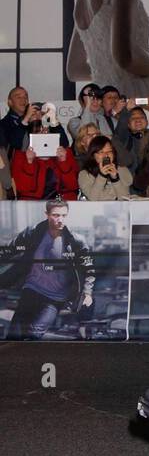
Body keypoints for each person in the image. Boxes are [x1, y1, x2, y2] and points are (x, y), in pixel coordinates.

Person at [0, 200, 95, 340]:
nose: (60, 219)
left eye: (64, 215)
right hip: (31, 290)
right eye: (56, 215)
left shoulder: (75, 241)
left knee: (34, 335)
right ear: (47, 214)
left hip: (55, 298)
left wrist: (87, 292)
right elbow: (8, 250)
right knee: (14, 336)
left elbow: (89, 269)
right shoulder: (33, 232)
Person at [77, 135, 131, 200]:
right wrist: (102, 176)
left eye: (109, 151)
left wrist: (115, 179)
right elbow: (93, 198)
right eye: (101, 152)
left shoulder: (122, 170)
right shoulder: (85, 174)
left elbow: (125, 198)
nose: (106, 155)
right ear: (93, 155)